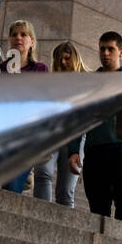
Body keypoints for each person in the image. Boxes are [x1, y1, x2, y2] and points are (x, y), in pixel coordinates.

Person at [82, 31, 122, 223]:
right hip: (94, 148)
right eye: (102, 49)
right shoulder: (90, 83)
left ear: (120, 52)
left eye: (111, 49)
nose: (105, 53)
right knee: (97, 205)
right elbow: (80, 117)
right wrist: (74, 150)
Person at [0, 19, 50, 198]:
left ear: (32, 42)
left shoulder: (40, 69)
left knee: (11, 188)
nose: (18, 38)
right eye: (14, 34)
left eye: (23, 34)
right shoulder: (1, 68)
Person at [45, 40, 87, 207]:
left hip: (75, 137)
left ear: (75, 59)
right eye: (59, 59)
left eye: (67, 58)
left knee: (66, 190)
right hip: (52, 133)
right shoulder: (51, 82)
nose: (62, 63)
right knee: (43, 174)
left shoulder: (85, 81)